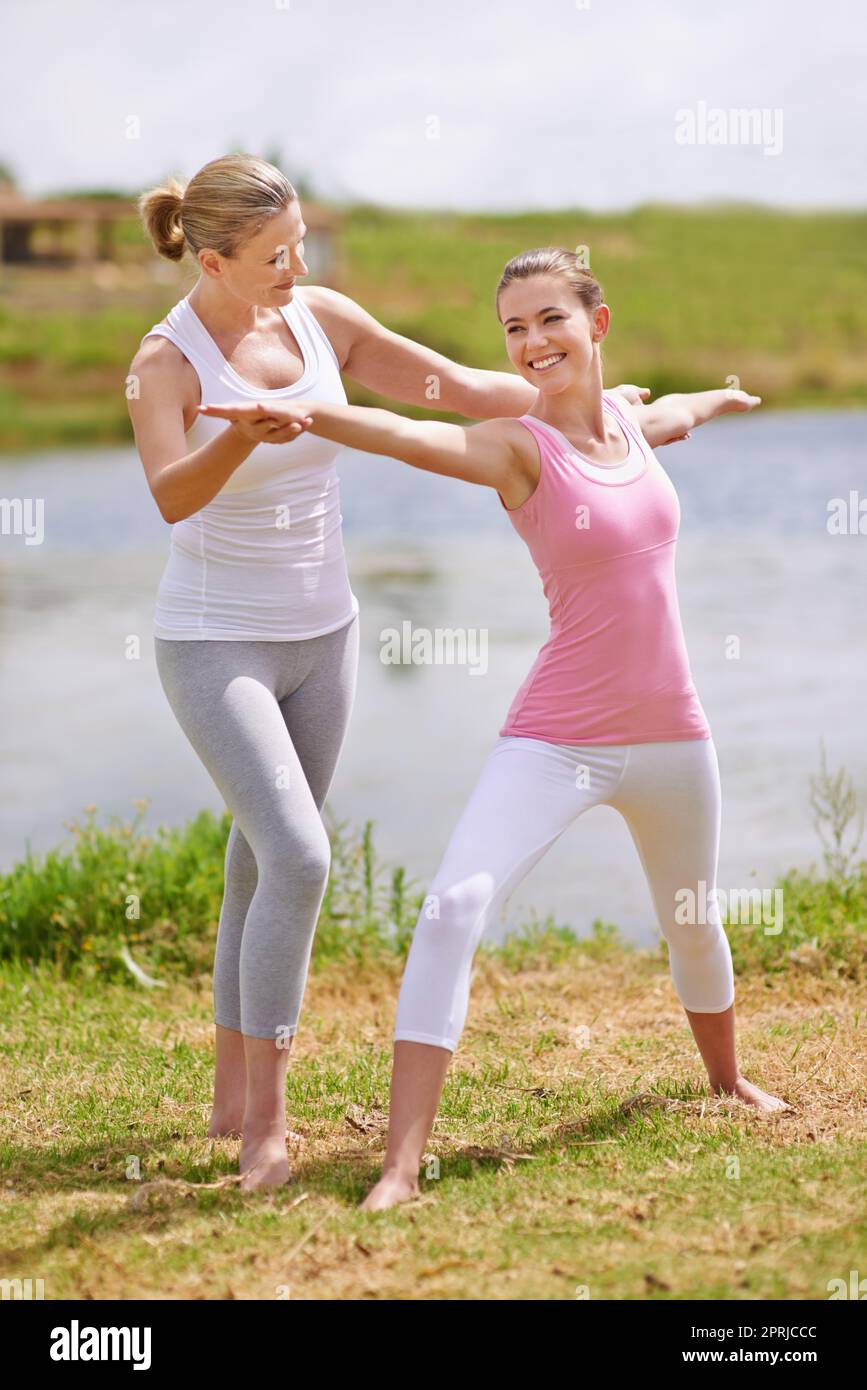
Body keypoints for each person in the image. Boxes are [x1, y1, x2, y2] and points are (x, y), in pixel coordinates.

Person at [201, 245, 792, 1210]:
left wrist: (720, 400)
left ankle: (727, 1079)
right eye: (513, 328)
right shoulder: (519, 448)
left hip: (675, 735)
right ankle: (399, 1168)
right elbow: (404, 435)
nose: (530, 342)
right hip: (557, 736)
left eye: (549, 318)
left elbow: (675, 413)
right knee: (450, 911)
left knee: (693, 920)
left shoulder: (634, 427)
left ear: (594, 324)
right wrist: (311, 413)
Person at [127, 154, 652, 1191]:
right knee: (301, 856)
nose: (298, 265)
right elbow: (171, 495)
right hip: (212, 639)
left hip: (327, 633)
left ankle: (232, 1090)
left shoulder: (318, 316)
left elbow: (451, 387)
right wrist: (241, 442)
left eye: (302, 245)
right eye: (276, 255)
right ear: (217, 258)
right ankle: (264, 1133)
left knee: (258, 859)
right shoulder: (166, 360)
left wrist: (571, 393)